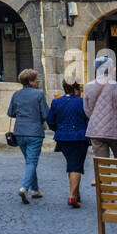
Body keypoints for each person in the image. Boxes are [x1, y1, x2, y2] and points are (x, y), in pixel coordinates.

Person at [7, 68, 48, 204]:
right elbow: (45, 115)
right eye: (36, 79)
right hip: (34, 132)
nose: (38, 81)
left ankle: (35, 190)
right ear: (31, 81)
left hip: (19, 132)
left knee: (29, 161)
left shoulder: (16, 94)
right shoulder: (39, 95)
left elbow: (11, 113)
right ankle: (24, 188)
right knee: (32, 161)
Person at [47, 80, 90, 208]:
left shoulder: (56, 102)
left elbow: (50, 121)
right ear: (76, 89)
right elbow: (88, 119)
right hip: (79, 137)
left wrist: (59, 129)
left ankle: (76, 193)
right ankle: (72, 196)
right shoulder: (81, 102)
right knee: (76, 166)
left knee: (72, 163)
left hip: (62, 137)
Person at [83, 56, 117, 159]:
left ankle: (104, 175)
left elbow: (87, 110)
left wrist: (96, 118)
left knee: (102, 164)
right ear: (109, 69)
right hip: (116, 131)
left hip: (95, 131)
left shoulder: (88, 86)